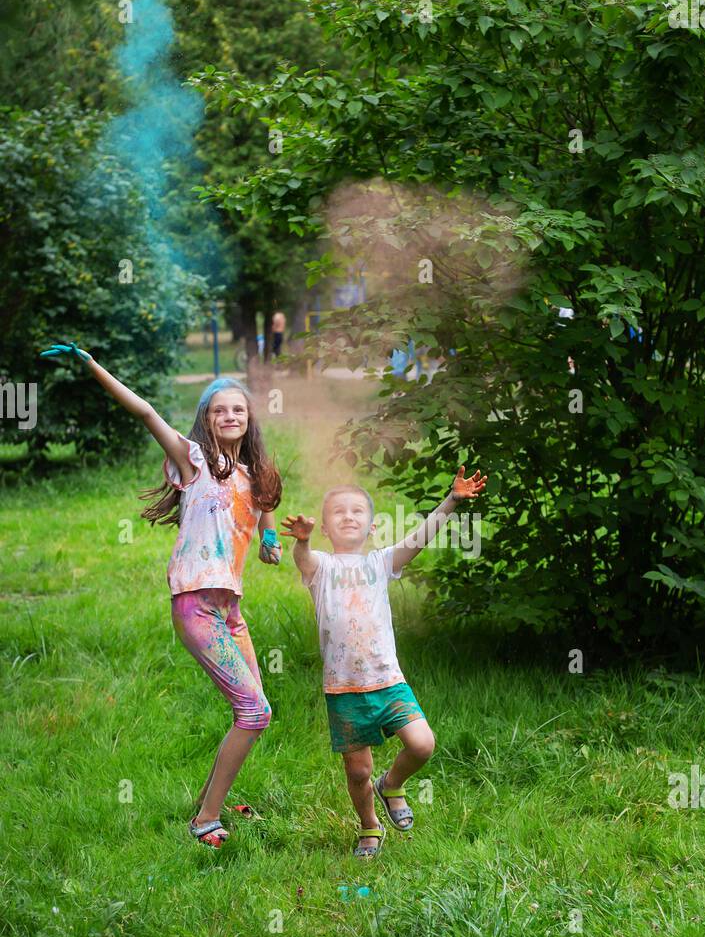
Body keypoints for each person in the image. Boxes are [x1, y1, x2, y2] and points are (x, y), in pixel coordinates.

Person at [39, 346, 283, 848]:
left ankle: (208, 800)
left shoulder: (253, 476)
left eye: (238, 409)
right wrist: (91, 365)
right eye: (220, 409)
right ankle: (204, 820)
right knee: (253, 711)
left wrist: (271, 540)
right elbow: (147, 410)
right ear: (206, 419)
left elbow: (264, 506)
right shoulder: (193, 460)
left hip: (230, 610)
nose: (230, 415)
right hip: (195, 605)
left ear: (249, 418)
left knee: (258, 712)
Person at [283, 467, 487, 857]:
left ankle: (391, 783)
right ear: (324, 527)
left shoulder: (380, 563)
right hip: (344, 689)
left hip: (388, 681)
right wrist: (302, 542)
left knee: (423, 745)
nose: (348, 516)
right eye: (338, 512)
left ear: (372, 525)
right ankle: (369, 826)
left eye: (357, 511)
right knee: (357, 771)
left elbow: (418, 539)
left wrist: (452, 500)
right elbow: (303, 558)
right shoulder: (321, 567)